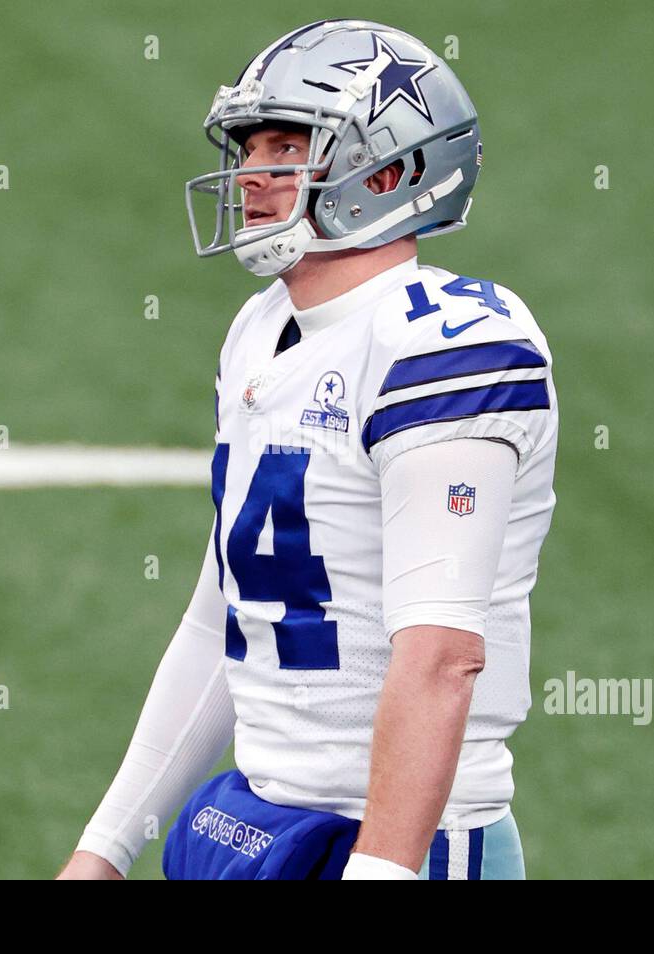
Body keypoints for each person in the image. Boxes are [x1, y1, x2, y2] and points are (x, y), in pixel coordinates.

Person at [59, 18, 558, 880]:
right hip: (259, 819)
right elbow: (228, 617)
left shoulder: (449, 344)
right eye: (249, 148)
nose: (251, 175)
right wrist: (104, 850)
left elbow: (442, 658)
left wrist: (381, 873)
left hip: (404, 844)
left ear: (391, 170)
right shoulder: (262, 330)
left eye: (289, 147)